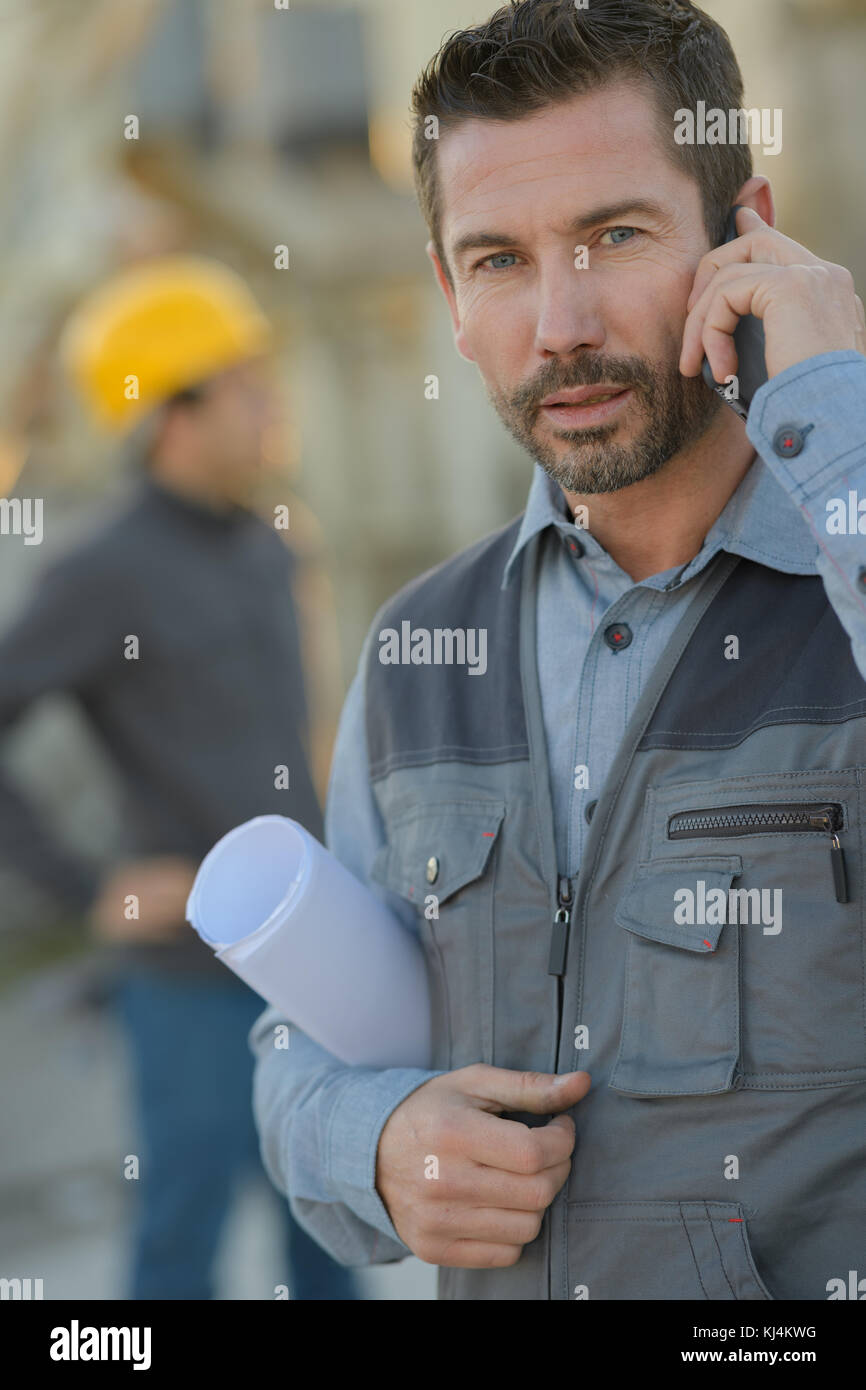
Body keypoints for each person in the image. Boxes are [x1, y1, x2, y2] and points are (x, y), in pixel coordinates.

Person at [251, 0, 866, 1301]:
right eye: (496, 260)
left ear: (744, 234)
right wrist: (371, 1139)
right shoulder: (419, 645)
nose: (558, 324)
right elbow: (300, 1046)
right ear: (447, 295)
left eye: (614, 234)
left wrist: (832, 411)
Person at [0, 257, 359, 1301]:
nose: (272, 407)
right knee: (179, 1246)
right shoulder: (101, 570)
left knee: (332, 1230)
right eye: (245, 385)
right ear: (167, 416)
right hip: (189, 980)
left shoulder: (269, 545)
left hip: (311, 964)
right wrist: (92, 889)